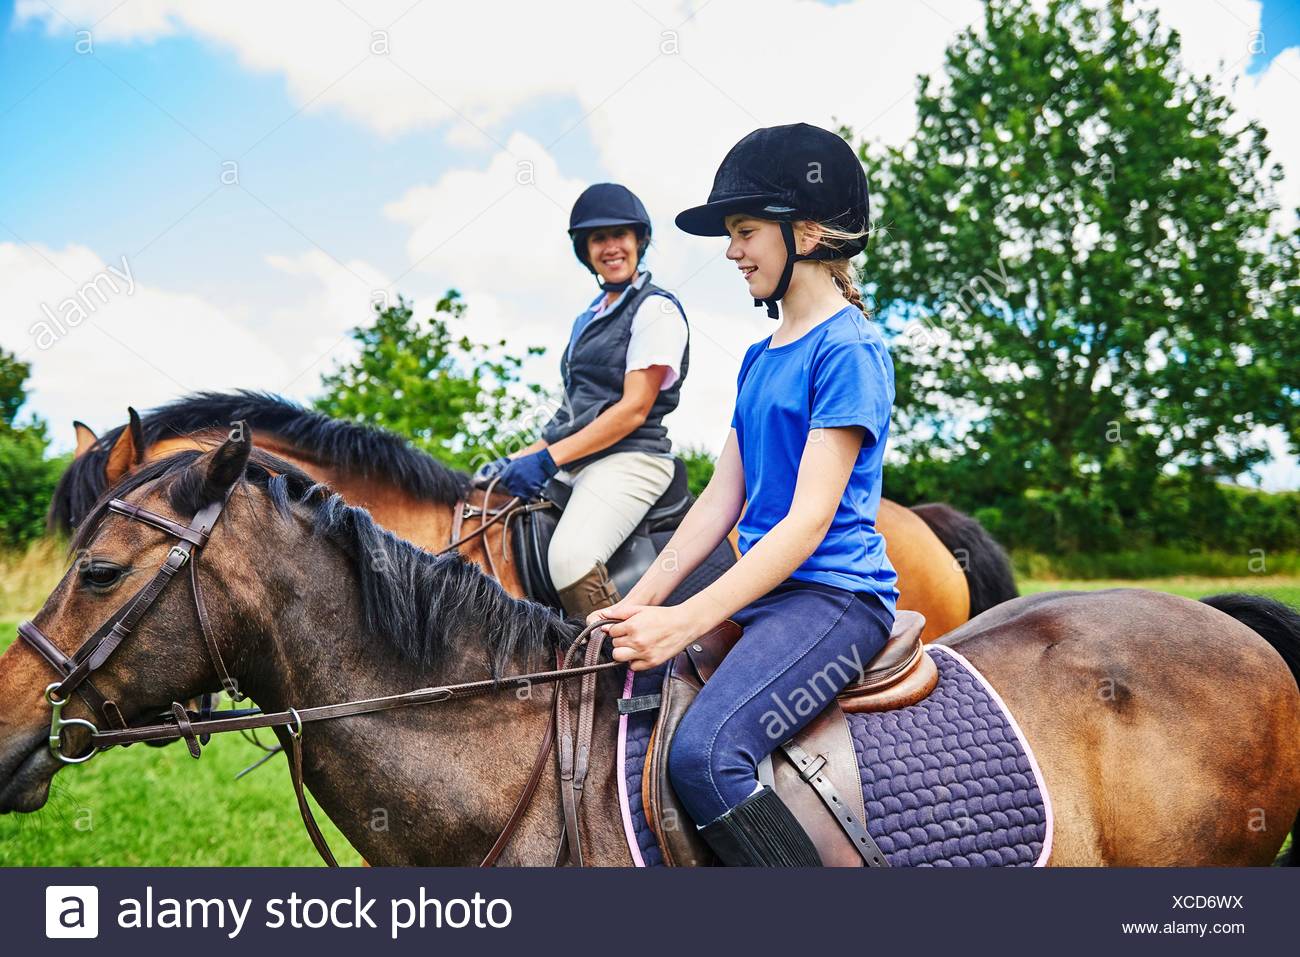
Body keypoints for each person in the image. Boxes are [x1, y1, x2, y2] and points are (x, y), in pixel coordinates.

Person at [589, 124, 900, 866]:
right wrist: (647, 599)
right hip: (768, 596)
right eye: (731, 235)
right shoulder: (761, 356)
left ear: (809, 232)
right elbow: (722, 499)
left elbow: (805, 520)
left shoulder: (849, 348)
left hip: (833, 598)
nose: (732, 251)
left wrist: (687, 618)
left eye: (746, 231)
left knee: (703, 754)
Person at [477, 184, 690, 619]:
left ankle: (618, 672)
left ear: (639, 241)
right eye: (599, 238)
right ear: (585, 249)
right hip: (582, 461)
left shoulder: (656, 310)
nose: (611, 247)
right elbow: (572, 413)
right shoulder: (587, 318)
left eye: (620, 236)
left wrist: (548, 460)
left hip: (633, 460)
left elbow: (633, 409)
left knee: (572, 557)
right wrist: (517, 458)